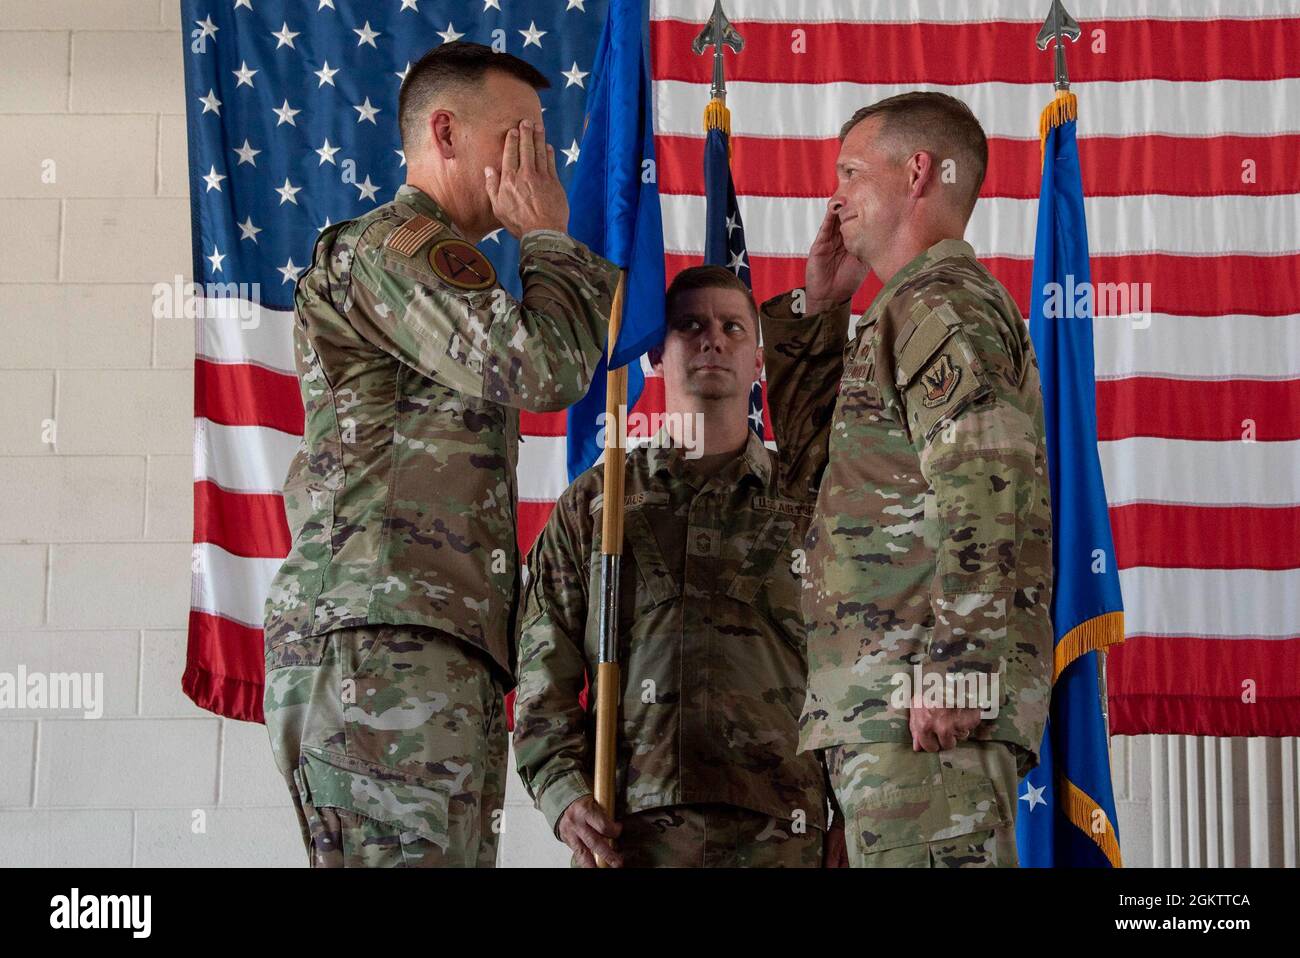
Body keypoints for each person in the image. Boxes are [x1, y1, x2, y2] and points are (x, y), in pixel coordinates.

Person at [262, 41, 618, 867]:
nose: (542, 163)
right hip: (382, 642)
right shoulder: (396, 248)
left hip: (425, 640)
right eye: (521, 137)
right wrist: (550, 241)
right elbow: (544, 367)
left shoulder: (453, 274)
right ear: (447, 133)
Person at [760, 92, 1054, 867]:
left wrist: (960, 668)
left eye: (852, 171)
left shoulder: (939, 304)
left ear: (917, 172)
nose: (837, 196)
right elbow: (810, 475)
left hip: (920, 705)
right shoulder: (896, 312)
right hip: (884, 708)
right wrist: (818, 309)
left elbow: (988, 482)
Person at [513, 266, 845, 867]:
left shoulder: (808, 502)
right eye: (689, 326)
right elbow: (543, 678)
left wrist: (849, 808)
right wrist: (565, 798)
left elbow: (856, 658)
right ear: (655, 357)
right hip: (632, 837)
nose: (711, 339)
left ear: (758, 362)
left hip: (785, 833)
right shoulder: (598, 505)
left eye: (732, 328)